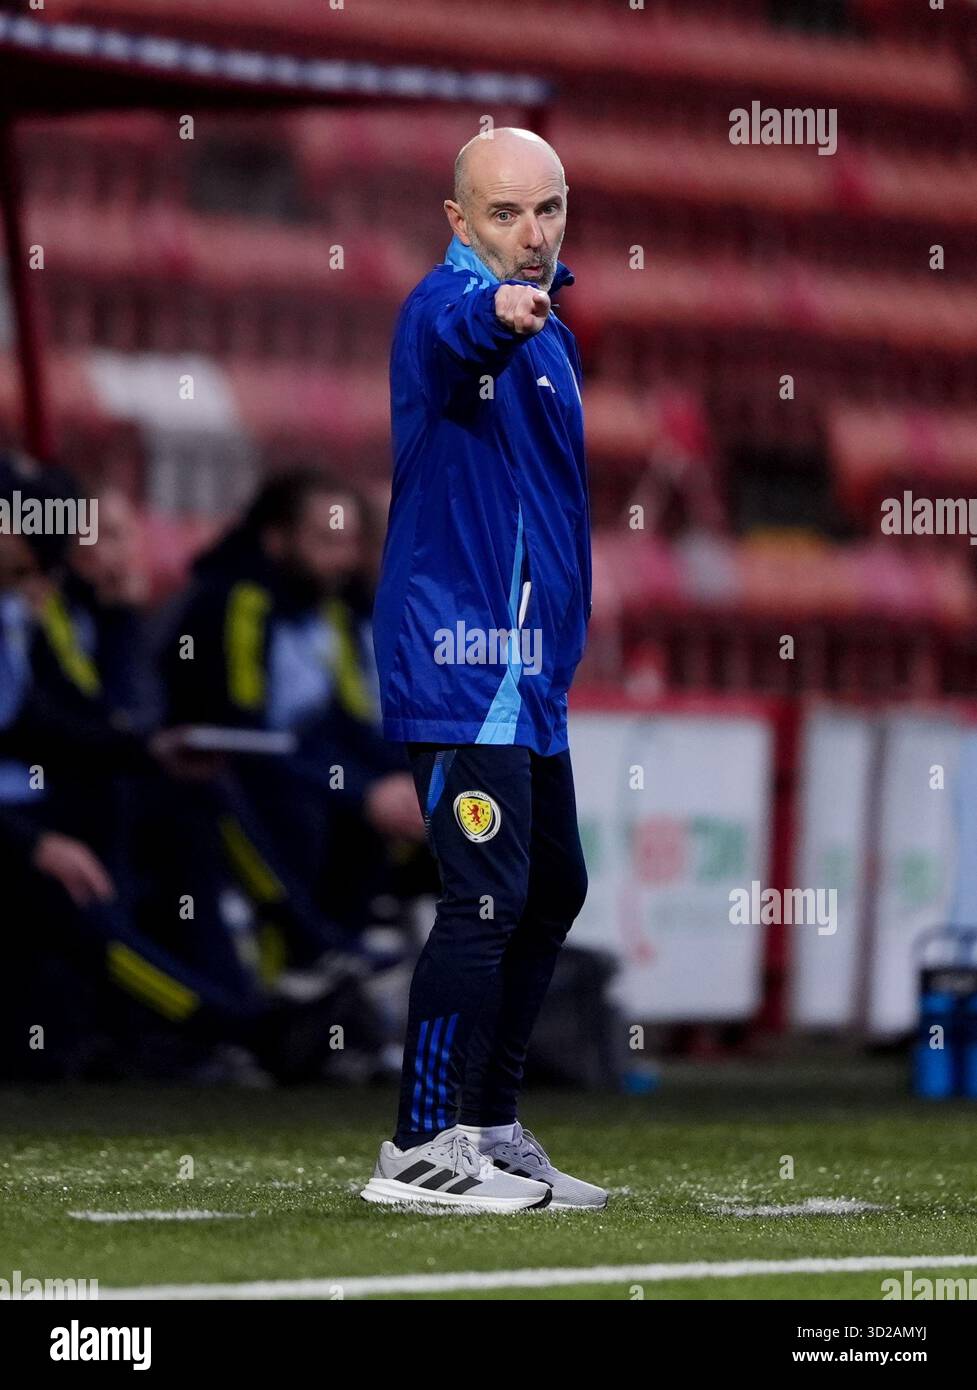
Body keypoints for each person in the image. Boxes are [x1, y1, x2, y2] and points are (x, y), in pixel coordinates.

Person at [363, 128, 606, 1211]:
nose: (531, 234)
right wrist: (495, 315)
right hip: (460, 660)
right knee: (486, 898)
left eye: (546, 210)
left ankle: (490, 1128)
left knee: (552, 888)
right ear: (458, 221)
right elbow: (461, 334)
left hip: (526, 674)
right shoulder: (447, 309)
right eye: (504, 214)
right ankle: (419, 1146)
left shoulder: (554, 337)